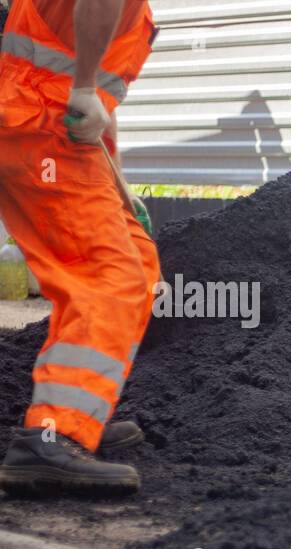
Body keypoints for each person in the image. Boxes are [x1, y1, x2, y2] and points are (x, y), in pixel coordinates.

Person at [0, 0, 157, 495]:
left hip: (60, 126)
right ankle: (53, 436)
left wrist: (121, 179)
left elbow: (99, 98)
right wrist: (85, 87)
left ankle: (79, 412)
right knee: (109, 278)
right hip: (43, 122)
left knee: (140, 263)